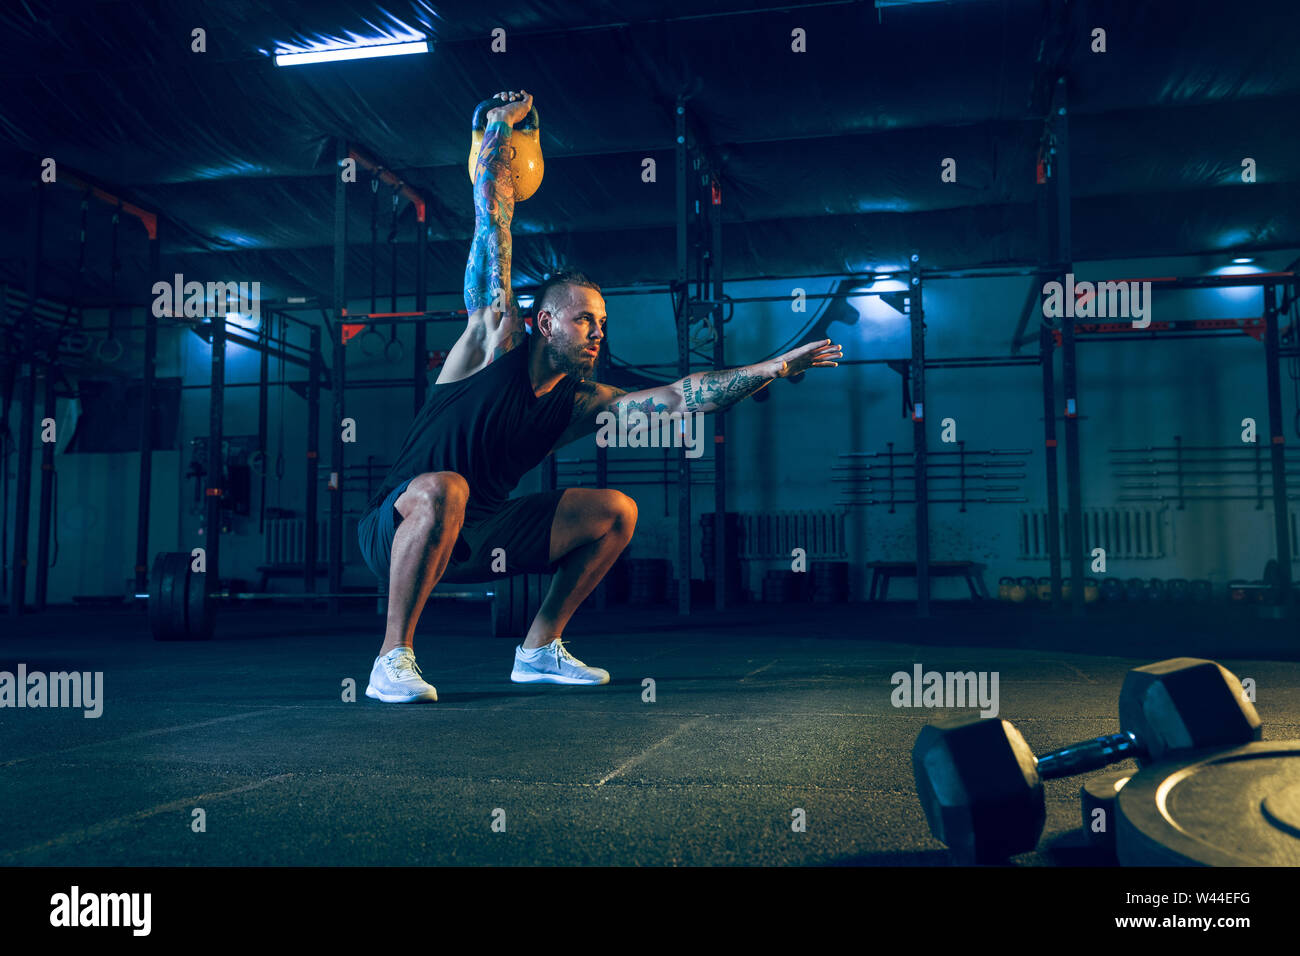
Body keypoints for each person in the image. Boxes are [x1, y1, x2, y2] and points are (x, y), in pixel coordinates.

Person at [358, 90, 841, 702]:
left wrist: (773, 365)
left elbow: (684, 397)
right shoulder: (490, 341)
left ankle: (537, 650)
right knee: (444, 487)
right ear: (544, 323)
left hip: (480, 534)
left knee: (617, 510)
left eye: (602, 323)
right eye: (584, 318)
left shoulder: (580, 403)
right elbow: (493, 224)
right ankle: (389, 659)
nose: (597, 332)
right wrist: (497, 137)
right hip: (397, 525)